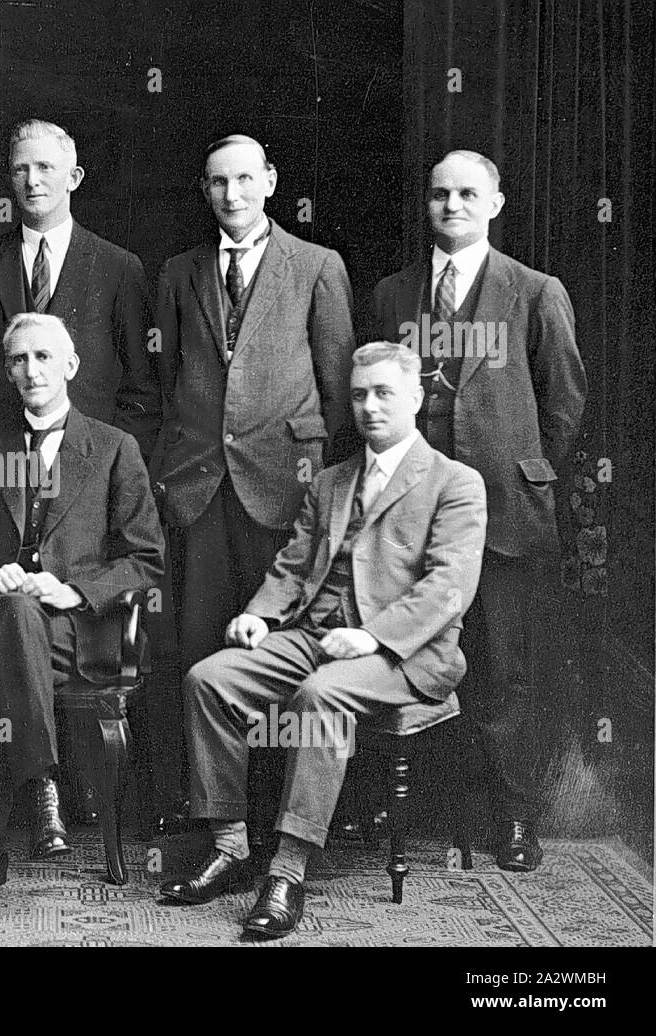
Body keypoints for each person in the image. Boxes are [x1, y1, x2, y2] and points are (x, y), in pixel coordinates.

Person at [163, 342, 486, 938]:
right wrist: (260, 614)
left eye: (384, 393)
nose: (369, 407)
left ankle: (287, 871)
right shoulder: (334, 481)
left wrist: (372, 638)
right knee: (209, 679)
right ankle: (231, 848)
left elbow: (448, 588)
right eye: (360, 395)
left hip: (403, 653)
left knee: (320, 697)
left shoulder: (456, 483)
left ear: (415, 397)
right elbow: (292, 563)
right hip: (313, 633)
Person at [371, 150, 587, 871]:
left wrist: (521, 469)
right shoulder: (394, 295)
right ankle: (419, 809)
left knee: (504, 670)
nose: (451, 205)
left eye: (467, 194)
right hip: (413, 518)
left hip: (506, 517)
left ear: (495, 203)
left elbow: (563, 405)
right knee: (414, 654)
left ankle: (513, 817)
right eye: (439, 195)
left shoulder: (535, 291)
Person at [0, 313, 164, 903]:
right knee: (10, 613)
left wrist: (73, 589)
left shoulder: (113, 449)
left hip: (77, 631)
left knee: (12, 634)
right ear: (8, 371)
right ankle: (42, 782)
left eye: (44, 358)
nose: (32, 370)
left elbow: (146, 559)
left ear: (71, 367)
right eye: (19, 360)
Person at [152, 134, 356, 673]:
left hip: (287, 479)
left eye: (245, 179)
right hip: (199, 483)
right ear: (205, 189)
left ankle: (275, 758)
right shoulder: (179, 272)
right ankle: (209, 760)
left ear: (269, 181)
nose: (232, 194)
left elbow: (337, 388)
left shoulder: (316, 265)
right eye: (219, 181)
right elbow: (167, 381)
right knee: (200, 643)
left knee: (278, 644)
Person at [0, 118, 158, 466]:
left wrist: (112, 460)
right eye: (20, 169)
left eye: (44, 167)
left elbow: (142, 385)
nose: (32, 181)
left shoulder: (119, 267)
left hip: (87, 465)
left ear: (74, 177)